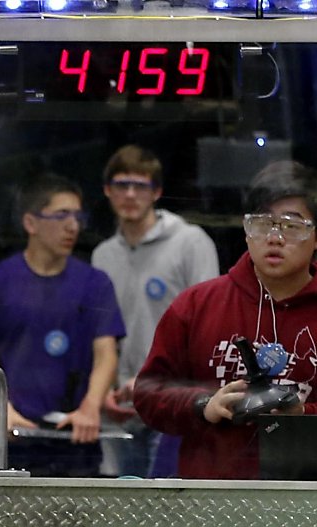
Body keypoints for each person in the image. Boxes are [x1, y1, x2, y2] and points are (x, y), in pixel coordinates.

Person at [132, 161, 317, 481]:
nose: (274, 237)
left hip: (311, 507)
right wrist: (204, 405)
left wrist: (305, 414)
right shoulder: (197, 305)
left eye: (292, 225)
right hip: (212, 499)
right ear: (245, 229)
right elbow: (148, 394)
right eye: (262, 223)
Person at [0, 173, 123, 477]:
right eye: (61, 215)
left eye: (78, 217)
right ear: (30, 223)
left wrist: (91, 407)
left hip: (78, 438)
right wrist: (4, 412)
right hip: (14, 438)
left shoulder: (95, 283)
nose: (72, 226)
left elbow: (106, 353)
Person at [89, 145, 218, 478]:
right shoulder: (102, 256)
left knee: (169, 511)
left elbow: (210, 327)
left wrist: (151, 380)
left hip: (174, 400)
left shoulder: (191, 242)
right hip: (118, 408)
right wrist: (103, 392)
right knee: (123, 514)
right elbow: (100, 337)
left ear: (157, 192)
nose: (130, 194)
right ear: (107, 190)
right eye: (121, 185)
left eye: (140, 186)